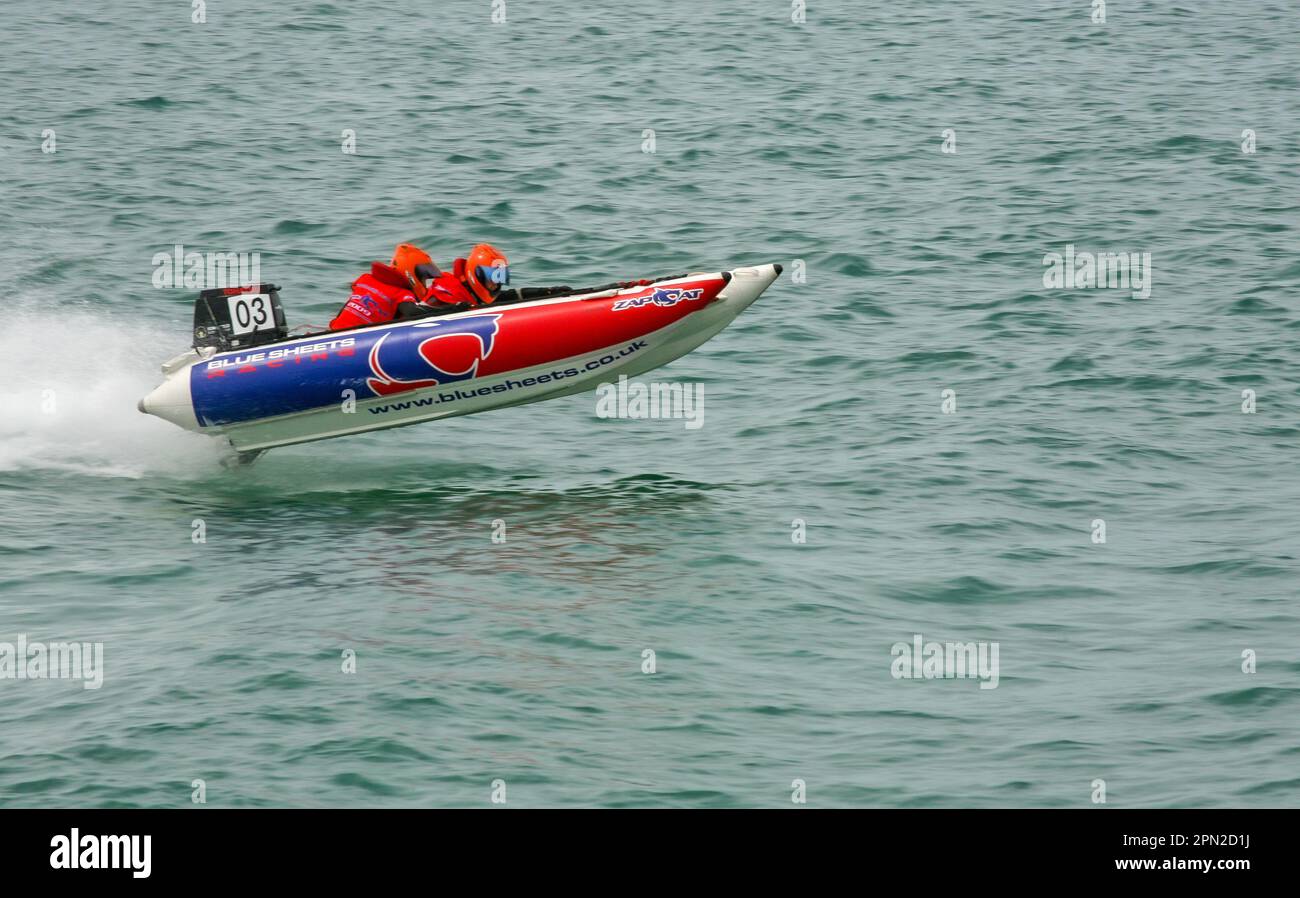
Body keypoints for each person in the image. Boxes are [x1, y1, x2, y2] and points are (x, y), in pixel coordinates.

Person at [328, 242, 512, 330]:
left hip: (337, 336)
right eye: (423, 277)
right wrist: (452, 310)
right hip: (353, 340)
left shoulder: (366, 279)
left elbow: (344, 310)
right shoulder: (401, 293)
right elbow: (413, 314)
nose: (425, 283)